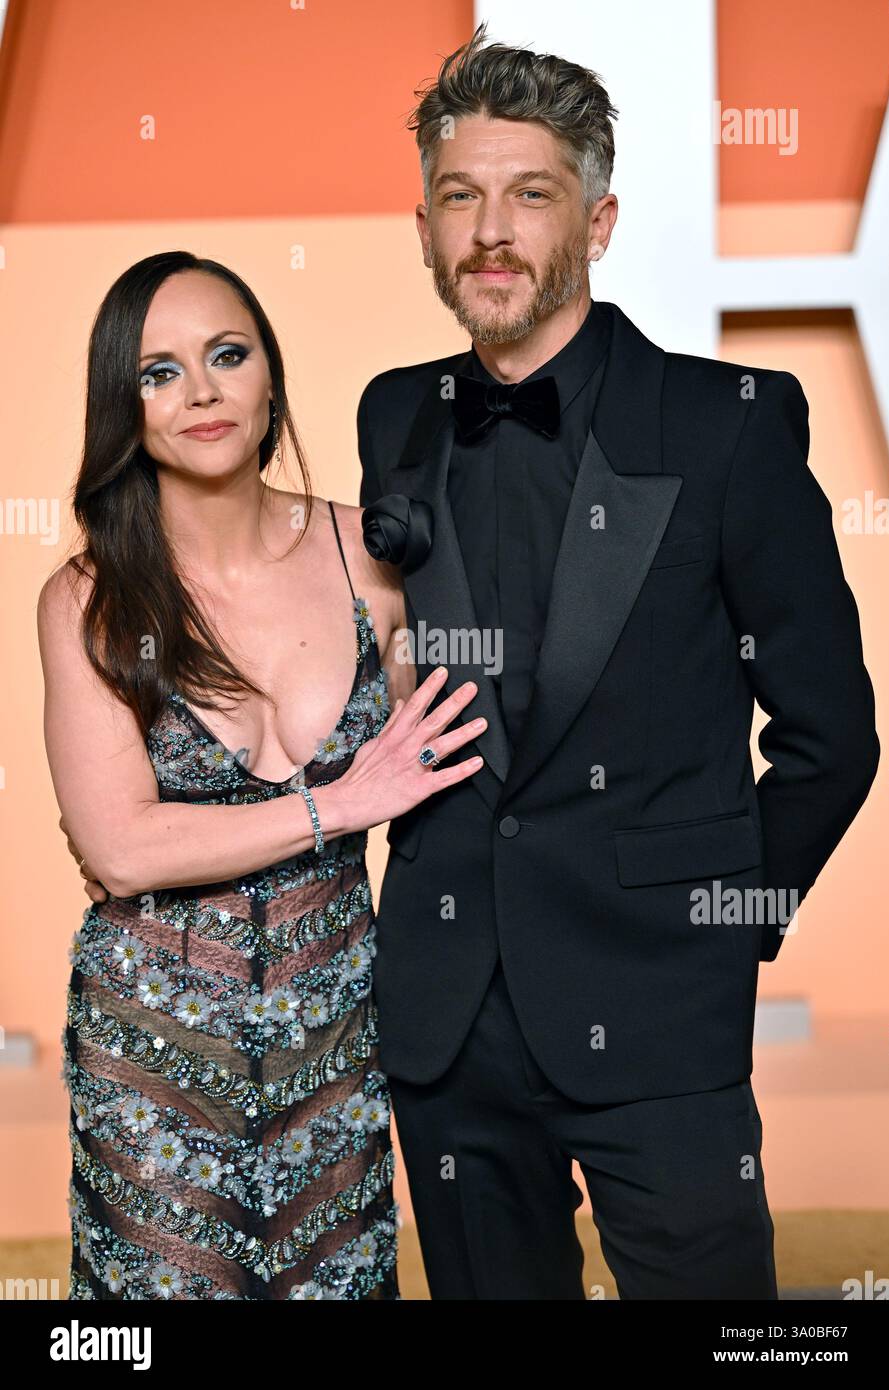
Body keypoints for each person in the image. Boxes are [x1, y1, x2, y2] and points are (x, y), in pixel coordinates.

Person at [356, 26, 880, 1299]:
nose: (490, 230)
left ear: (594, 222)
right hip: (450, 1011)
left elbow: (829, 736)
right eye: (459, 196)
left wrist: (721, 927)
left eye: (528, 195)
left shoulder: (727, 424)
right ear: (423, 225)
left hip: (659, 1005)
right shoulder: (392, 411)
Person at [39, 251, 484, 1300]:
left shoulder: (374, 562)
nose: (200, 391)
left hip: (337, 1042)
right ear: (123, 406)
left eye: (226, 355)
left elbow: (456, 756)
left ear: (269, 380)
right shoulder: (88, 600)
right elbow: (120, 845)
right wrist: (341, 803)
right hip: (152, 1055)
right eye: (158, 372)